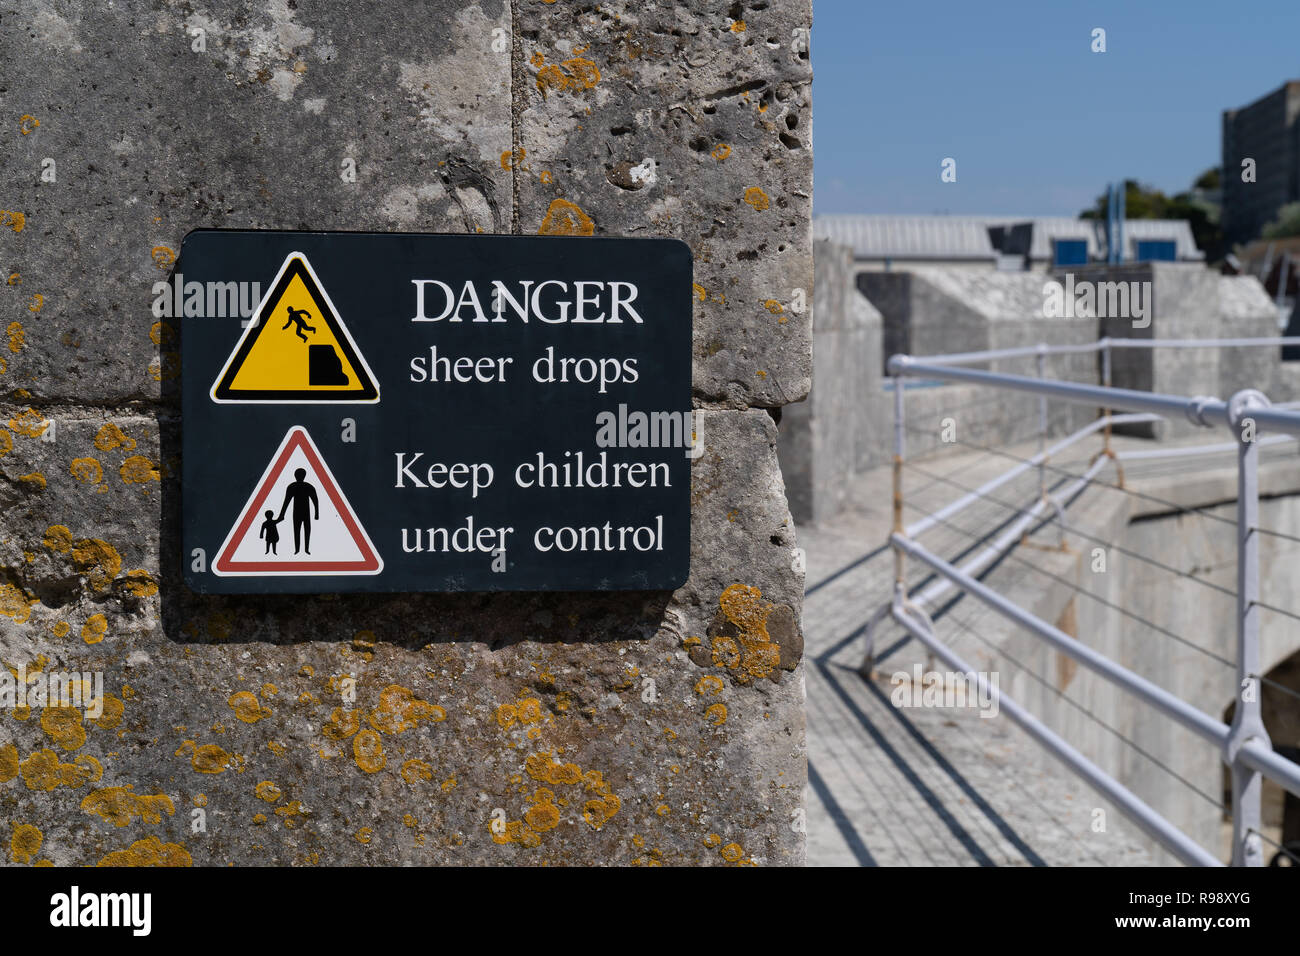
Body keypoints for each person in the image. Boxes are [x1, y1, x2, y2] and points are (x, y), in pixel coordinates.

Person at [278, 468, 319, 554]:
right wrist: (282, 515)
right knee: (296, 531)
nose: (299, 476)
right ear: (295, 476)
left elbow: (315, 500)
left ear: (304, 476)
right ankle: (297, 550)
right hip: (296, 514)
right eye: (298, 475)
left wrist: (316, 513)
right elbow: (286, 501)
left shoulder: (308, 486)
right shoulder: (292, 487)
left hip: (306, 513)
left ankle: (306, 549)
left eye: (301, 475)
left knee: (307, 530)